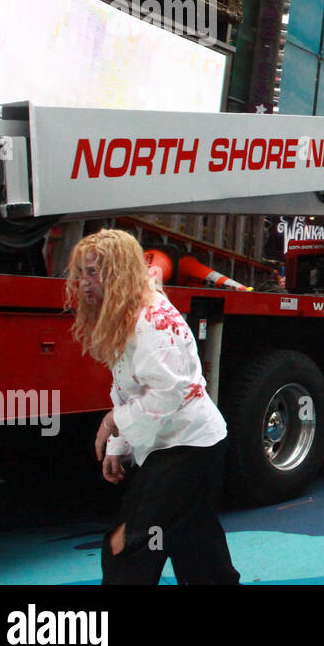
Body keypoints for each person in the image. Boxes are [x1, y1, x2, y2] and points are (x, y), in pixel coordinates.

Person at [65, 229, 238, 585]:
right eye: (81, 273)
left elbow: (168, 392)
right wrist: (119, 444)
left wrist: (113, 422)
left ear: (120, 272)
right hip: (188, 443)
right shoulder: (128, 311)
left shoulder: (150, 320)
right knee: (195, 544)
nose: (84, 283)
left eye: (94, 272)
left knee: (128, 543)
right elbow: (128, 385)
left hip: (188, 446)